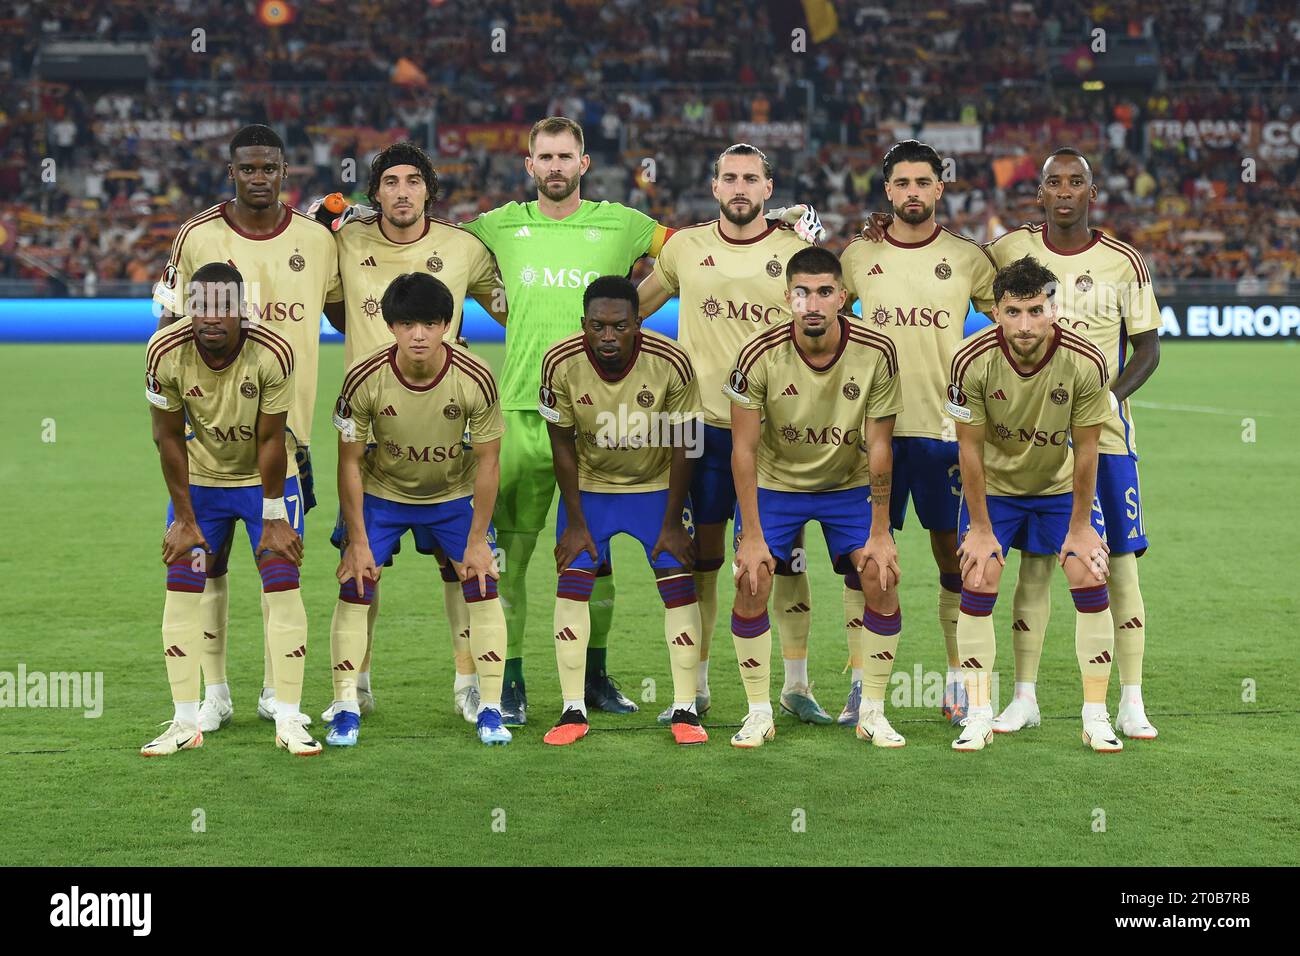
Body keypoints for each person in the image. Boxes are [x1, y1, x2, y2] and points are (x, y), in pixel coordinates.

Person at [151, 124, 340, 731]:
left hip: (289, 435)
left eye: (270, 168)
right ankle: (215, 693)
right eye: (248, 169)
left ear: (285, 172)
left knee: (278, 561)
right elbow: (169, 326)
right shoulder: (196, 236)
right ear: (232, 172)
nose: (259, 178)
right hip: (209, 440)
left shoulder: (317, 240)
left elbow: (342, 310)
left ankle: (272, 691)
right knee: (208, 567)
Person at [637, 143, 829, 725]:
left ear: (770, 189)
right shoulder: (686, 249)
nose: (740, 187)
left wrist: (825, 245)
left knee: (786, 560)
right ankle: (694, 686)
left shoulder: (795, 251)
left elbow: (832, 320)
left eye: (752, 178)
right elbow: (630, 311)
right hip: (698, 430)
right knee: (703, 560)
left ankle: (796, 685)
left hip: (776, 432)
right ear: (714, 187)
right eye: (730, 178)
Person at [320, 141, 506, 726]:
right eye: (391, 182)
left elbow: (510, 309)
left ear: (430, 188)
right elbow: (328, 304)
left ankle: (470, 682)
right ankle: (356, 686)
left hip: (448, 429)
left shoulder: (464, 247)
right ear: (373, 192)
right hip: (373, 431)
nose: (402, 192)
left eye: (413, 181)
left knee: (463, 568)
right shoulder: (345, 240)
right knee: (361, 565)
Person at [984, 148, 1161, 740]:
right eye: (1054, 182)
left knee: (1118, 568)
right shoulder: (1009, 251)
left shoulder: (1123, 261)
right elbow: (953, 268)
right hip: (1030, 442)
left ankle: (1131, 700)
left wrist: (1107, 399)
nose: (1065, 191)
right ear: (1039, 194)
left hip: (1105, 441)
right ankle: (1024, 697)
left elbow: (1148, 349)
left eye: (1076, 182)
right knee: (1035, 567)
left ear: (1092, 191)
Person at [839, 140, 996, 726]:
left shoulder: (969, 258)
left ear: (939, 188)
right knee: (865, 555)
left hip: (942, 429)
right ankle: (862, 684)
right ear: (887, 191)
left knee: (949, 555)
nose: (911, 192)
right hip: (870, 430)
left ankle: (959, 681)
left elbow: (1015, 310)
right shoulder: (858, 255)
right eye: (900, 183)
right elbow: (819, 310)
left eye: (922, 182)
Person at [723, 248, 905, 749]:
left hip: (847, 484)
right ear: (787, 299)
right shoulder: (756, 354)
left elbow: (881, 446)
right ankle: (759, 710)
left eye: (825, 291)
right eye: (802, 293)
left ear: (843, 297)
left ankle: (871, 710)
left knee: (880, 573)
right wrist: (752, 535)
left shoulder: (876, 350)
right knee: (752, 577)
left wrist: (881, 531)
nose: (813, 304)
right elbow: (743, 448)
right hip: (775, 483)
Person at [944, 255, 1120, 753]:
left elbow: (1087, 449)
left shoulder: (1086, 360)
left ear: (1053, 309)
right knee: (979, 575)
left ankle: (1096, 716)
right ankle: (978, 714)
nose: (1025, 324)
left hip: (1059, 490)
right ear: (996, 311)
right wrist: (980, 527)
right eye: (1014, 311)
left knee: (1089, 571)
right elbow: (969, 450)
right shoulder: (969, 360)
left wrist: (1082, 527)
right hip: (995, 490)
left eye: (1036, 310)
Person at [142, 262, 319, 757]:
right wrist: (184, 517)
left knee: (281, 578)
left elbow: (269, 437)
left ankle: (288, 715)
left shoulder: (273, 351)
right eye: (201, 306)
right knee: (188, 578)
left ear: (242, 310)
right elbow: (167, 437)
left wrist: (273, 515)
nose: (211, 318)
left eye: (223, 307)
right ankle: (194, 713)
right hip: (200, 482)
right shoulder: (163, 351)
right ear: (188, 308)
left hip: (266, 477)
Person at [537, 276, 706, 746]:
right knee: (572, 587)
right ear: (583, 325)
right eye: (597, 327)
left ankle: (686, 709)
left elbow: (686, 443)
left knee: (678, 590)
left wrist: (673, 522)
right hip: (591, 490)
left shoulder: (671, 361)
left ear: (639, 322)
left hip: (657, 491)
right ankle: (573, 708)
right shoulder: (559, 362)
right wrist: (574, 520)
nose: (608, 336)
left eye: (620, 326)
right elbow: (561, 444)